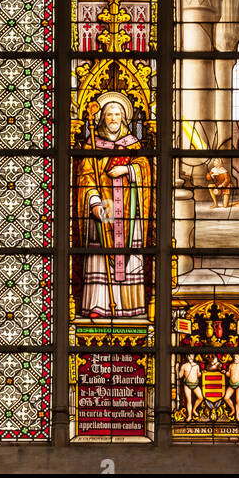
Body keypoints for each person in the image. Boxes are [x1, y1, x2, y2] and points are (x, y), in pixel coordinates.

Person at [76, 92, 151, 318]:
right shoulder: (93, 145)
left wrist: (128, 170)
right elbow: (85, 176)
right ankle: (99, 306)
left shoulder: (133, 144)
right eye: (109, 114)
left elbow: (146, 169)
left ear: (124, 118)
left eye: (118, 114)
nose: (114, 118)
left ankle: (129, 307)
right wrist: (94, 202)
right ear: (102, 118)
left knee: (129, 257)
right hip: (103, 211)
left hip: (128, 212)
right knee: (100, 257)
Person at [178, 354, 204, 421]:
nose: (190, 357)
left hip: (195, 384)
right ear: (187, 357)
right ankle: (189, 416)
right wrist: (177, 370)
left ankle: (194, 409)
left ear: (194, 357)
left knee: (200, 397)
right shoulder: (184, 366)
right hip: (187, 384)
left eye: (192, 356)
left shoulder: (196, 366)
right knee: (189, 400)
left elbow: (198, 375)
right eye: (189, 356)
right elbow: (180, 376)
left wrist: (201, 373)